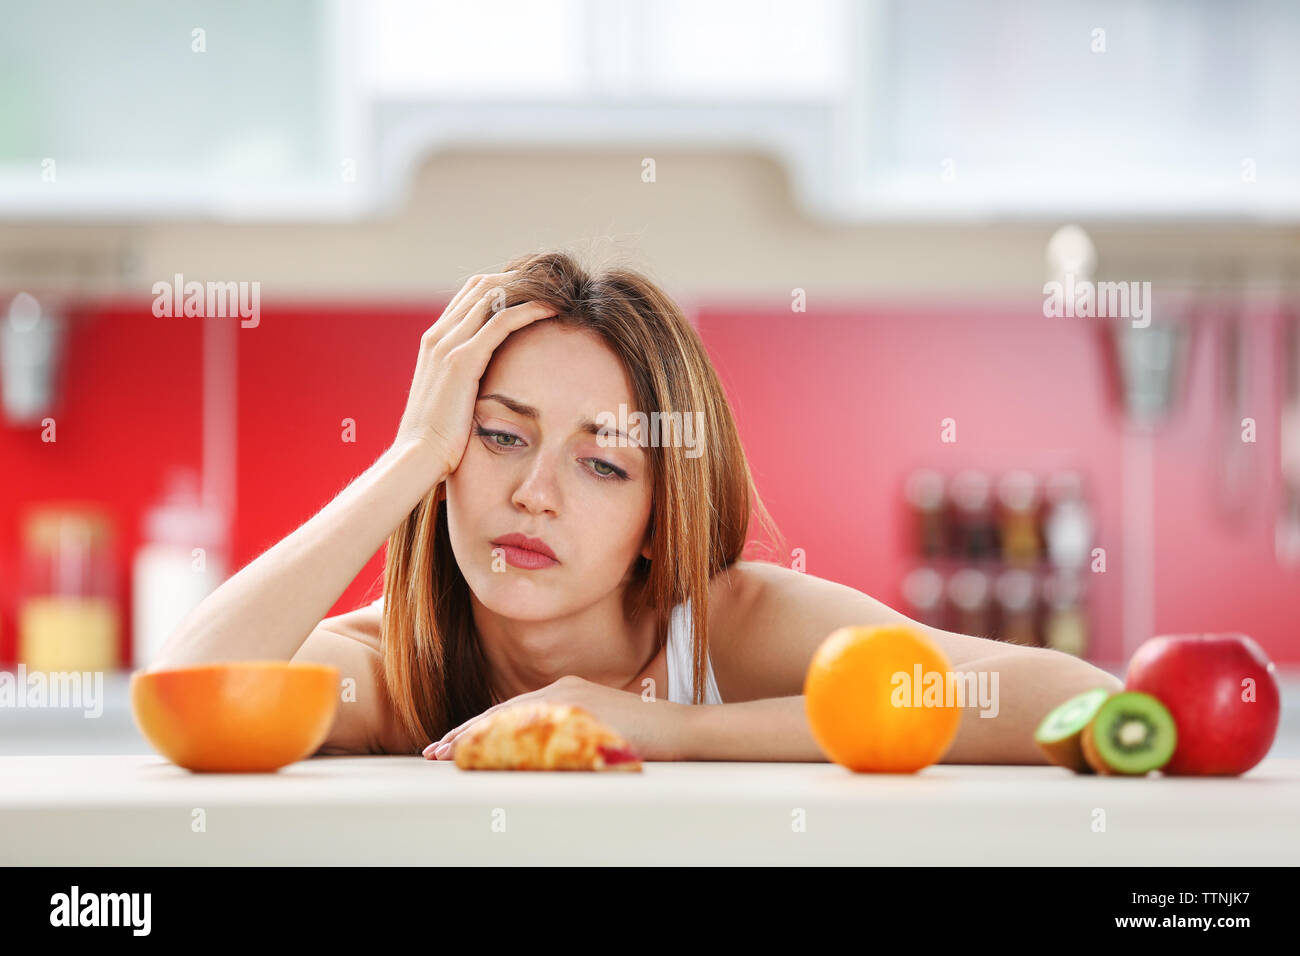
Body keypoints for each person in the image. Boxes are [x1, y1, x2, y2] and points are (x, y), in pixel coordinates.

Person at [153, 250, 1121, 761]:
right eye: (498, 436)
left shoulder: (731, 628)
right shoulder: (394, 668)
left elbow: (1069, 702)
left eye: (603, 465)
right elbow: (190, 695)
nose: (533, 493)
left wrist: (666, 726)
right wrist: (410, 452)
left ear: (661, 519)